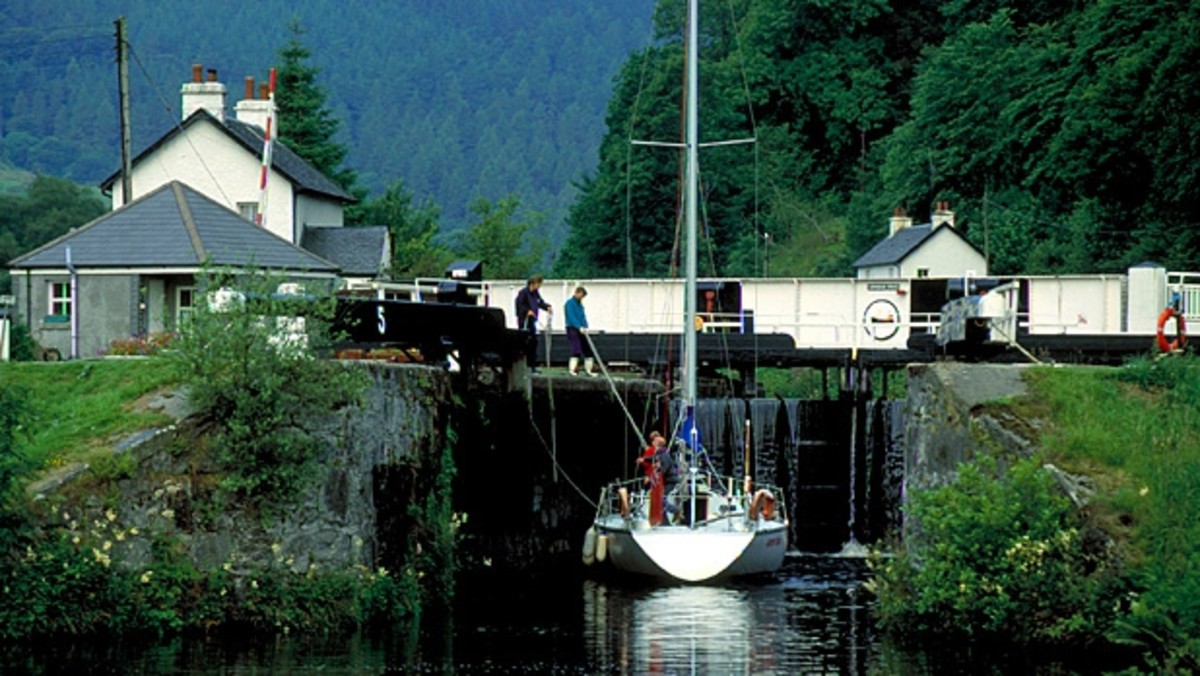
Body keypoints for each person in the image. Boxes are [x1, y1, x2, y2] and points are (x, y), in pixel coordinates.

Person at [514, 275, 551, 371]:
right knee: (526, 342)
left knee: (533, 342)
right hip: (524, 321)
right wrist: (527, 311)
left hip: (532, 320)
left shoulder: (535, 293)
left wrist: (547, 307)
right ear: (533, 283)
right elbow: (519, 305)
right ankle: (525, 364)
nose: (539, 286)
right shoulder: (523, 293)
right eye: (538, 284)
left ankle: (532, 365)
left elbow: (539, 302)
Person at [564, 286, 595, 376]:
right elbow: (571, 317)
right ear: (577, 293)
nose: (582, 298)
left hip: (581, 329)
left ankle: (588, 370)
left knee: (587, 350)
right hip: (572, 328)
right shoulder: (569, 304)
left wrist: (585, 326)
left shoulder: (580, 305)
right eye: (581, 295)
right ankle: (572, 370)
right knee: (576, 349)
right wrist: (578, 326)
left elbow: (582, 316)